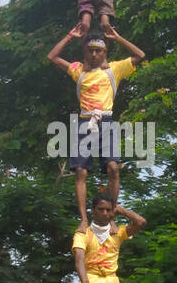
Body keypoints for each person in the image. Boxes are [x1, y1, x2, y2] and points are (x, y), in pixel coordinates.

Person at [46, 25, 146, 218]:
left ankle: (111, 215)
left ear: (104, 52)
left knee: (113, 168)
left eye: (98, 50)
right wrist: (69, 35)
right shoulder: (79, 71)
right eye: (90, 50)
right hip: (84, 122)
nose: (93, 54)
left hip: (106, 121)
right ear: (85, 51)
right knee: (81, 172)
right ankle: (84, 219)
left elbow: (140, 55)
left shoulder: (115, 69)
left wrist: (117, 37)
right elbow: (52, 57)